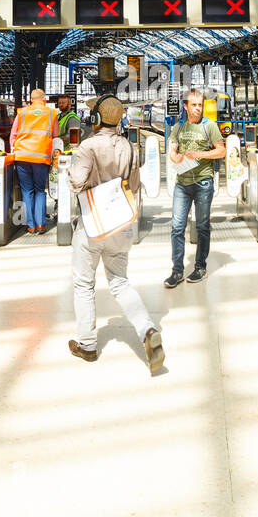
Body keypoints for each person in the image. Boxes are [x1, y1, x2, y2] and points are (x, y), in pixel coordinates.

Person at [66, 95, 164, 372]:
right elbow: (132, 186)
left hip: (92, 225)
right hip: (120, 224)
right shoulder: (130, 148)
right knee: (120, 281)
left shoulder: (87, 147)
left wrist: (69, 174)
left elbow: (77, 182)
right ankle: (146, 329)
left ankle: (87, 345)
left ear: (96, 119)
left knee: (84, 284)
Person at [165, 88, 226, 287]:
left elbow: (221, 151)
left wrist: (200, 155)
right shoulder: (178, 128)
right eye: (194, 105)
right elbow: (172, 151)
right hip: (182, 184)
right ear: (185, 106)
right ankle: (177, 270)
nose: (198, 108)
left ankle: (200, 267)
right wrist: (177, 157)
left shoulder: (210, 126)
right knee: (177, 227)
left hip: (203, 182)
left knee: (202, 226)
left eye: (200, 105)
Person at [9, 88, 59, 234]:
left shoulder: (22, 112)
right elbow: (55, 136)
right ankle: (41, 224)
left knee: (27, 191)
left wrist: (13, 152)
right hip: (41, 157)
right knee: (40, 190)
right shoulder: (51, 113)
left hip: (22, 156)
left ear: (31, 100)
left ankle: (30, 225)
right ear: (44, 99)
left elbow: (13, 135)